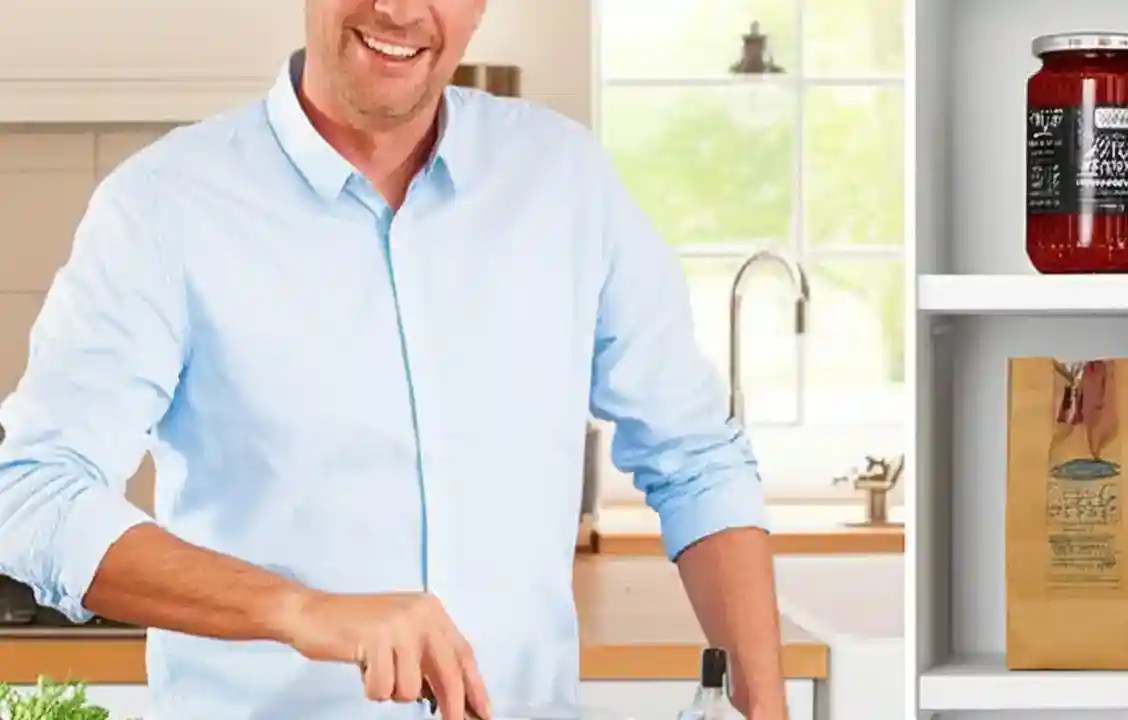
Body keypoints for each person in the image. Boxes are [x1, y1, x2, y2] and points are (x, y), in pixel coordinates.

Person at [0, 1, 787, 718]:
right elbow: (33, 495)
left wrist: (766, 707)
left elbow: (697, 461)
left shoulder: (565, 181)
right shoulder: (165, 207)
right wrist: (305, 611)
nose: (401, 10)